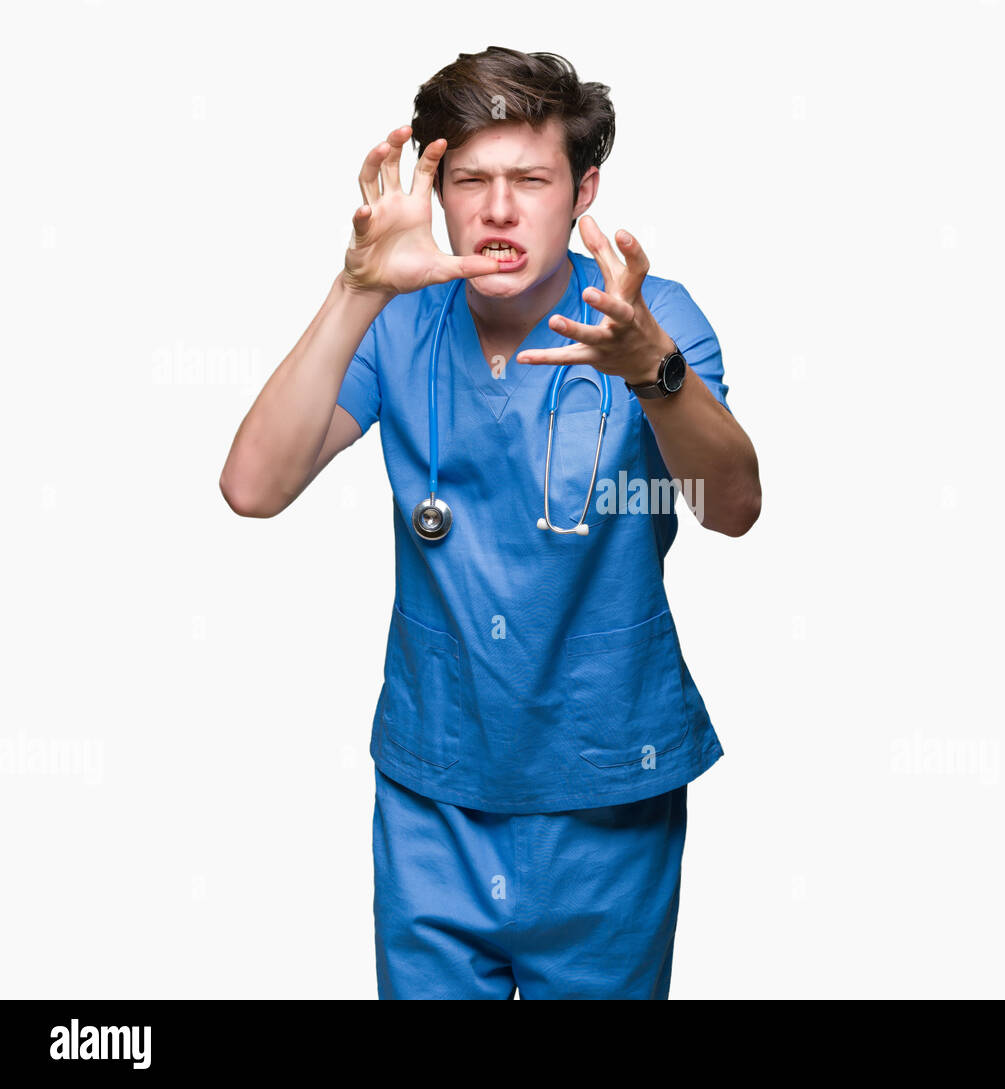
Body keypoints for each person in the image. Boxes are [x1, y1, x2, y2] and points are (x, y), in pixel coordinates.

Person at [219, 46, 761, 999]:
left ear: (583, 188)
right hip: (437, 790)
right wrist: (359, 289)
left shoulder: (651, 318)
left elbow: (735, 507)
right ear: (438, 186)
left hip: (607, 788)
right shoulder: (398, 323)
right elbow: (253, 486)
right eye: (470, 179)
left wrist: (651, 368)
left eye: (531, 179)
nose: (499, 209)